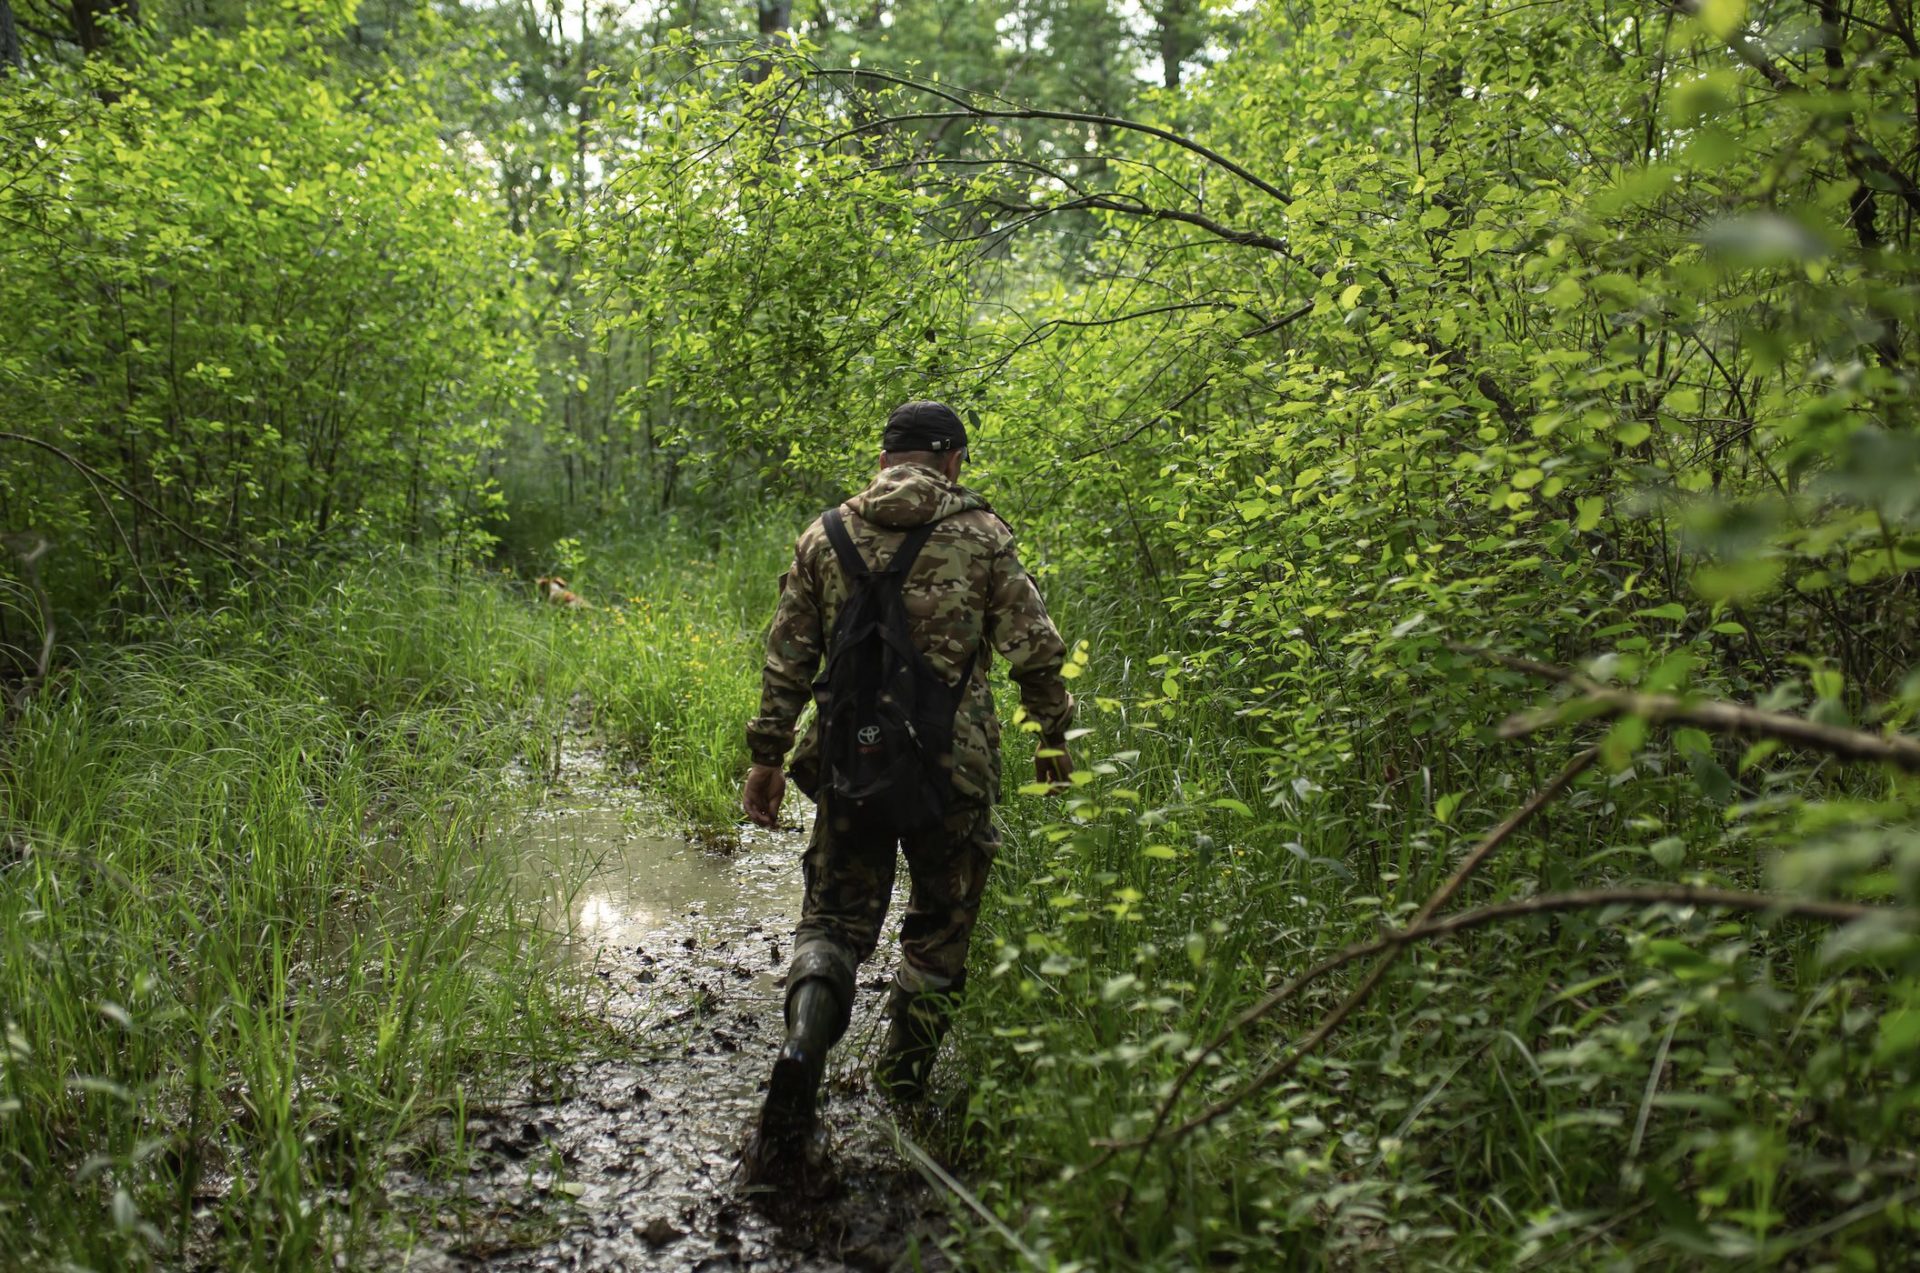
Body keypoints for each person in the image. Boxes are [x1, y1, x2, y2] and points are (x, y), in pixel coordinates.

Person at [739, 400, 1074, 1178]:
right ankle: (901, 1087)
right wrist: (1052, 737)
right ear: (951, 458)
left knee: (830, 918)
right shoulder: (983, 535)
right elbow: (1034, 651)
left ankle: (801, 1049)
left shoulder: (825, 534)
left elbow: (787, 657)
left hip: (848, 769)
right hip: (951, 772)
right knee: (938, 927)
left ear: (885, 458)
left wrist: (766, 755)